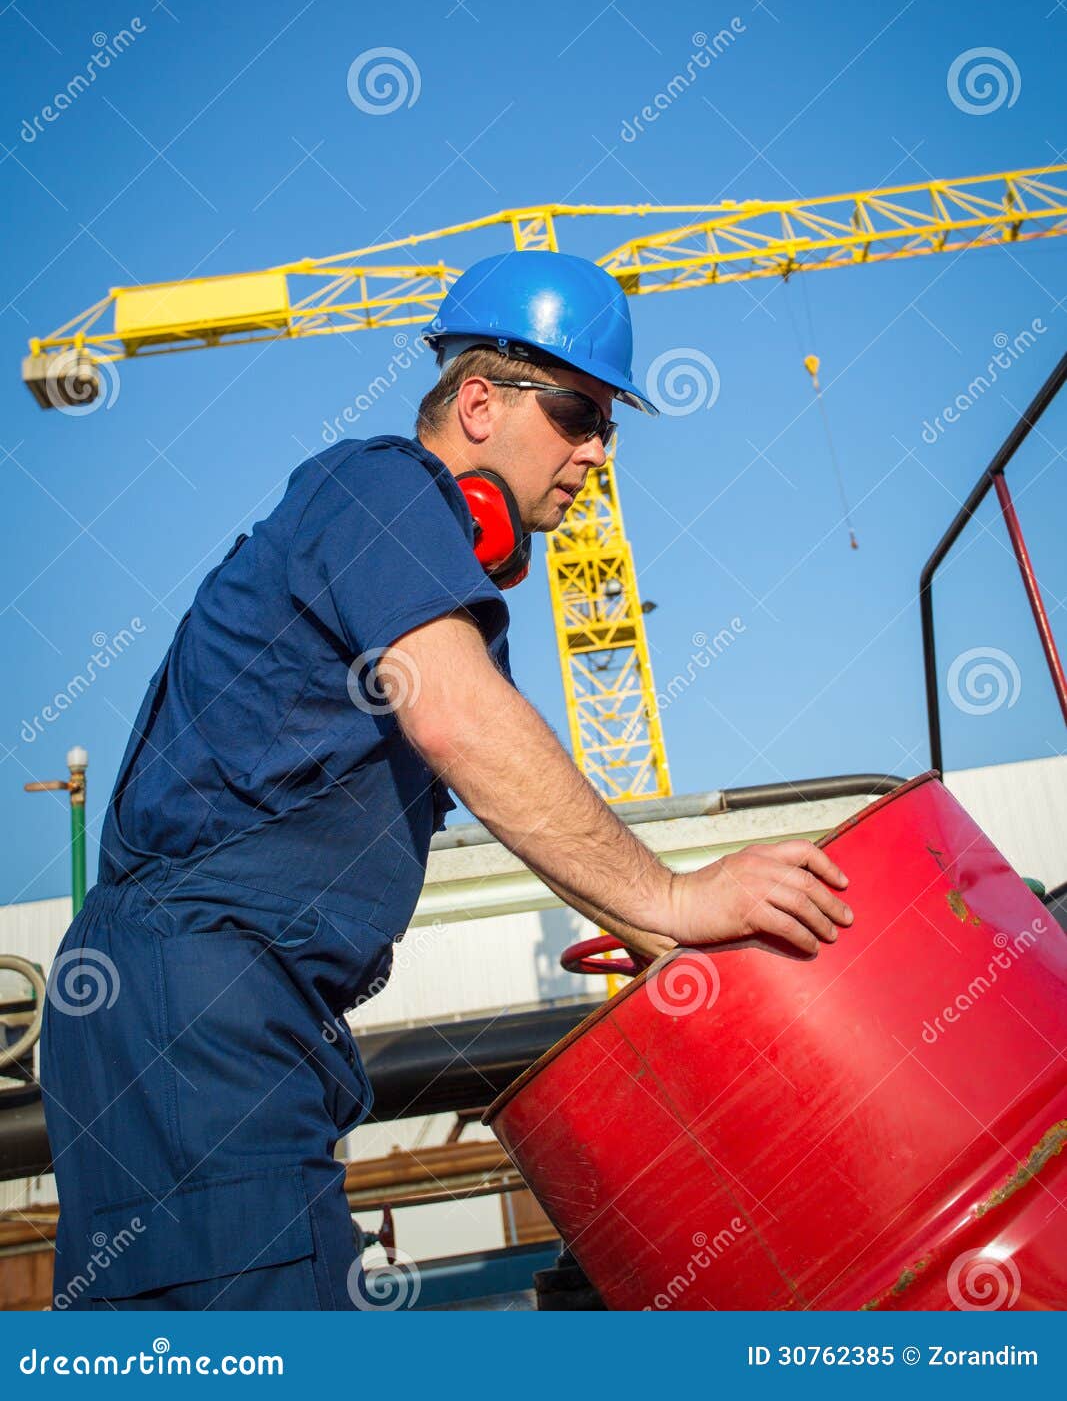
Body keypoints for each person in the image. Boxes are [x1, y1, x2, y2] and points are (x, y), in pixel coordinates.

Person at [39, 249, 851, 1311]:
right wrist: (669, 896)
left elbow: (521, 793)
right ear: (478, 400)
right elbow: (464, 721)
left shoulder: (432, 602)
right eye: (577, 413)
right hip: (200, 1001)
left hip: (221, 1011)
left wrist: (697, 965)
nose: (599, 452)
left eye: (609, 425)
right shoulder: (376, 487)